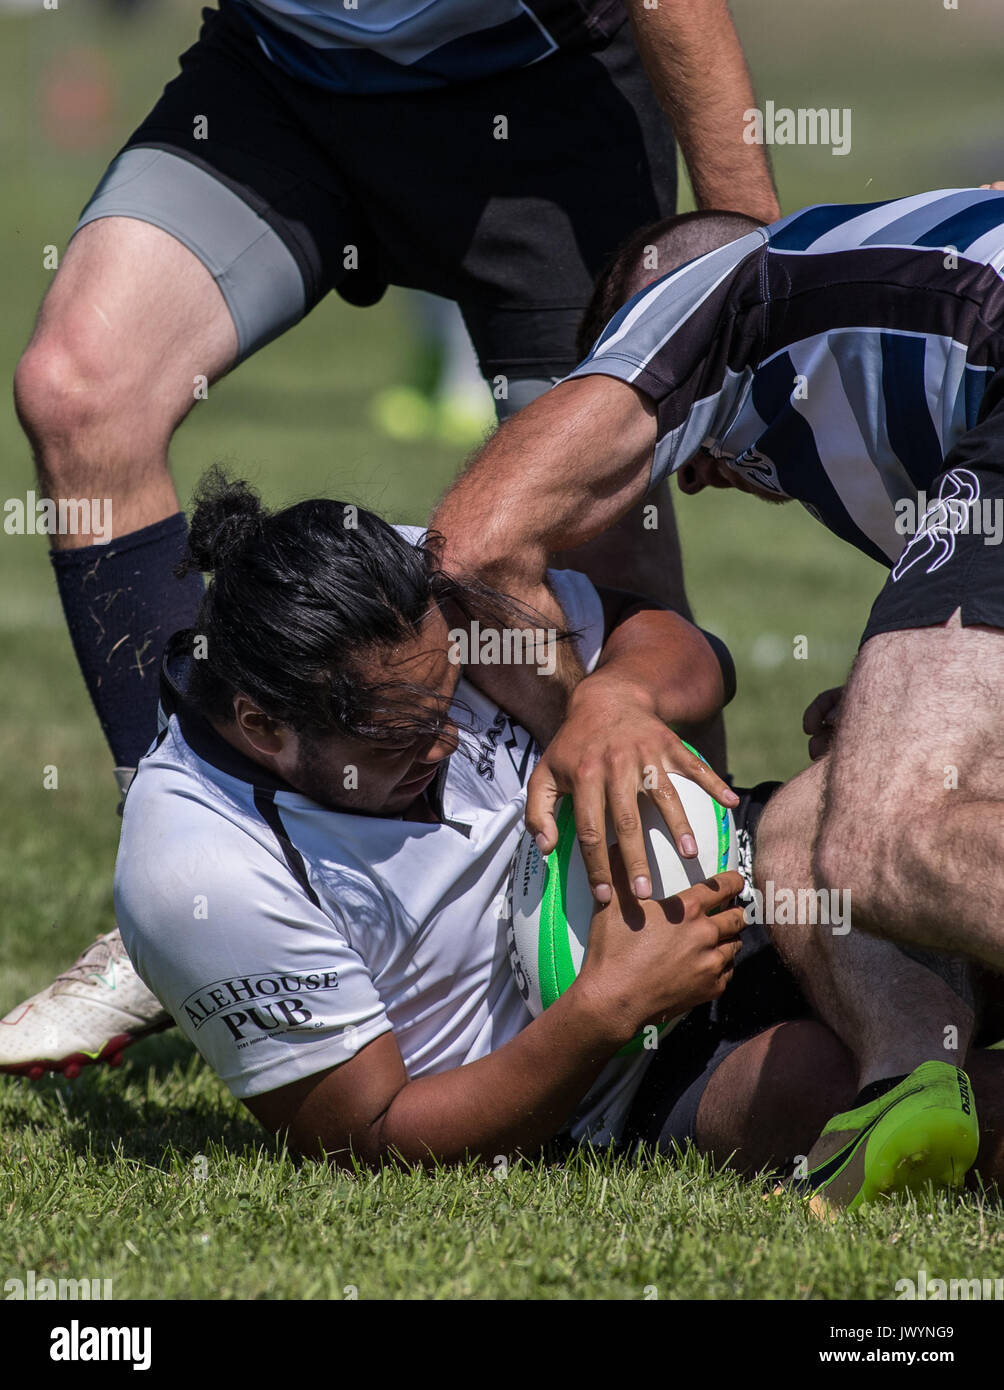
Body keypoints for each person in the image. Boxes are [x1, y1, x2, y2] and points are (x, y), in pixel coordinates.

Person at [4, 0, 780, 1074]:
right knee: (79, 391)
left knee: (610, 569)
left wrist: (752, 296)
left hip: (540, 103)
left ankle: (683, 926)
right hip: (282, 86)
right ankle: (185, 881)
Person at [109, 473, 1004, 1208]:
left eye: (451, 691)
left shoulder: (401, 590)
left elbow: (687, 649)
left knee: (866, 826)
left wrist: (609, 700)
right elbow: (364, 1140)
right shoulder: (197, 866)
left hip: (737, 864)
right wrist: (604, 1012)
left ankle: (920, 1068)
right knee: (814, 1084)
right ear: (264, 728)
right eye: (400, 734)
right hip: (604, 1086)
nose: (448, 738)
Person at [430, 187, 1004, 976]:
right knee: (814, 821)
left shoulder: (699, 296)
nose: (689, 481)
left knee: (886, 835)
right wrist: (908, 719)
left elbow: (468, 550)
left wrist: (594, 714)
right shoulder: (899, 309)